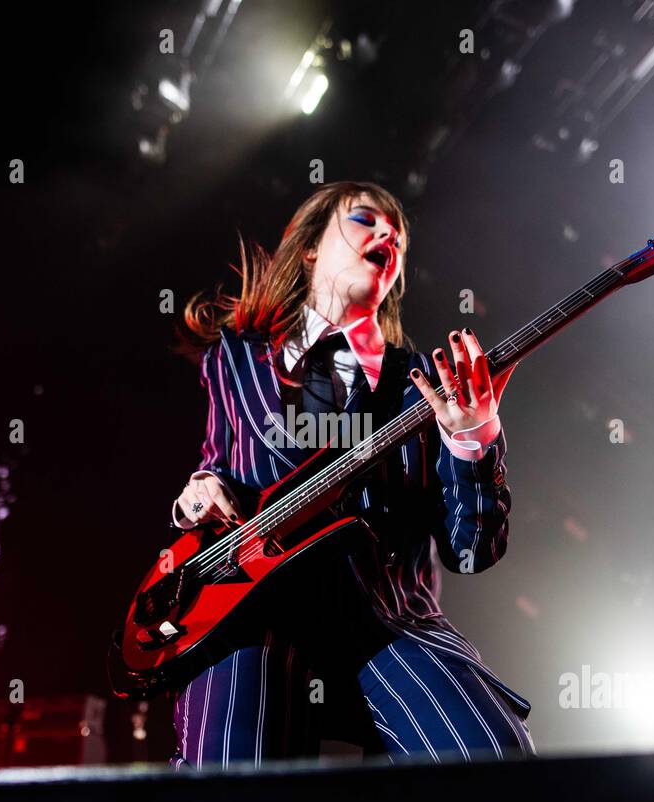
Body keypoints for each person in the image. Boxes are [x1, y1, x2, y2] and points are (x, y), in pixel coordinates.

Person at [166, 180, 535, 769]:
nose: (388, 234)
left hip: (385, 618)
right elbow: (217, 467)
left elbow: (470, 552)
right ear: (310, 246)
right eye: (366, 219)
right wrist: (195, 498)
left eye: (399, 236)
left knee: (492, 761)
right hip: (251, 614)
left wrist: (473, 437)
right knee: (227, 795)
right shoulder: (235, 356)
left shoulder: (424, 383)